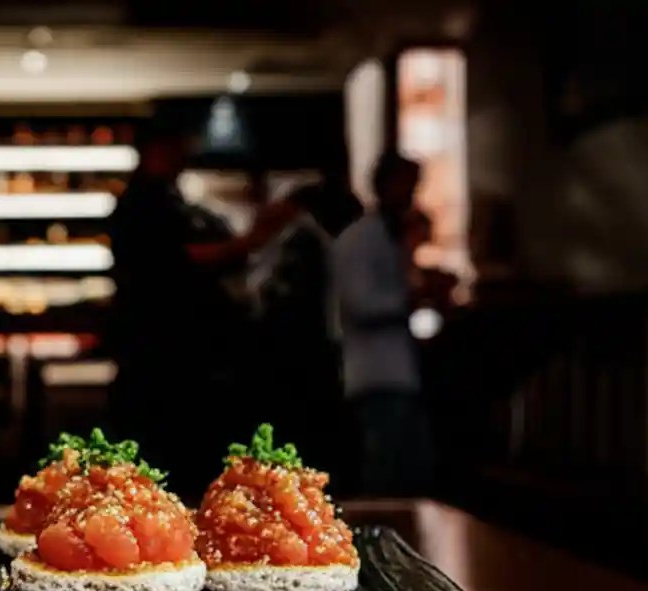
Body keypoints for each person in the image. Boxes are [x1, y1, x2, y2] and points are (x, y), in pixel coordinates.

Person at [108, 122, 290, 497]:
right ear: (154, 150)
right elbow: (179, 260)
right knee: (166, 456)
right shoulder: (145, 203)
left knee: (179, 457)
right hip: (162, 354)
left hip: (178, 355)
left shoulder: (167, 200)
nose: (181, 156)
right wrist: (251, 239)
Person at [330, 153, 432, 497]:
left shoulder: (389, 238)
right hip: (376, 372)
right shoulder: (360, 240)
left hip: (392, 370)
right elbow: (362, 303)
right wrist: (412, 298)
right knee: (385, 470)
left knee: (404, 466)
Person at [247, 179, 362, 471]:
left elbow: (280, 303)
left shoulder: (300, 241)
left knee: (298, 442)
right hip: (313, 356)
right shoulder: (312, 241)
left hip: (295, 359)